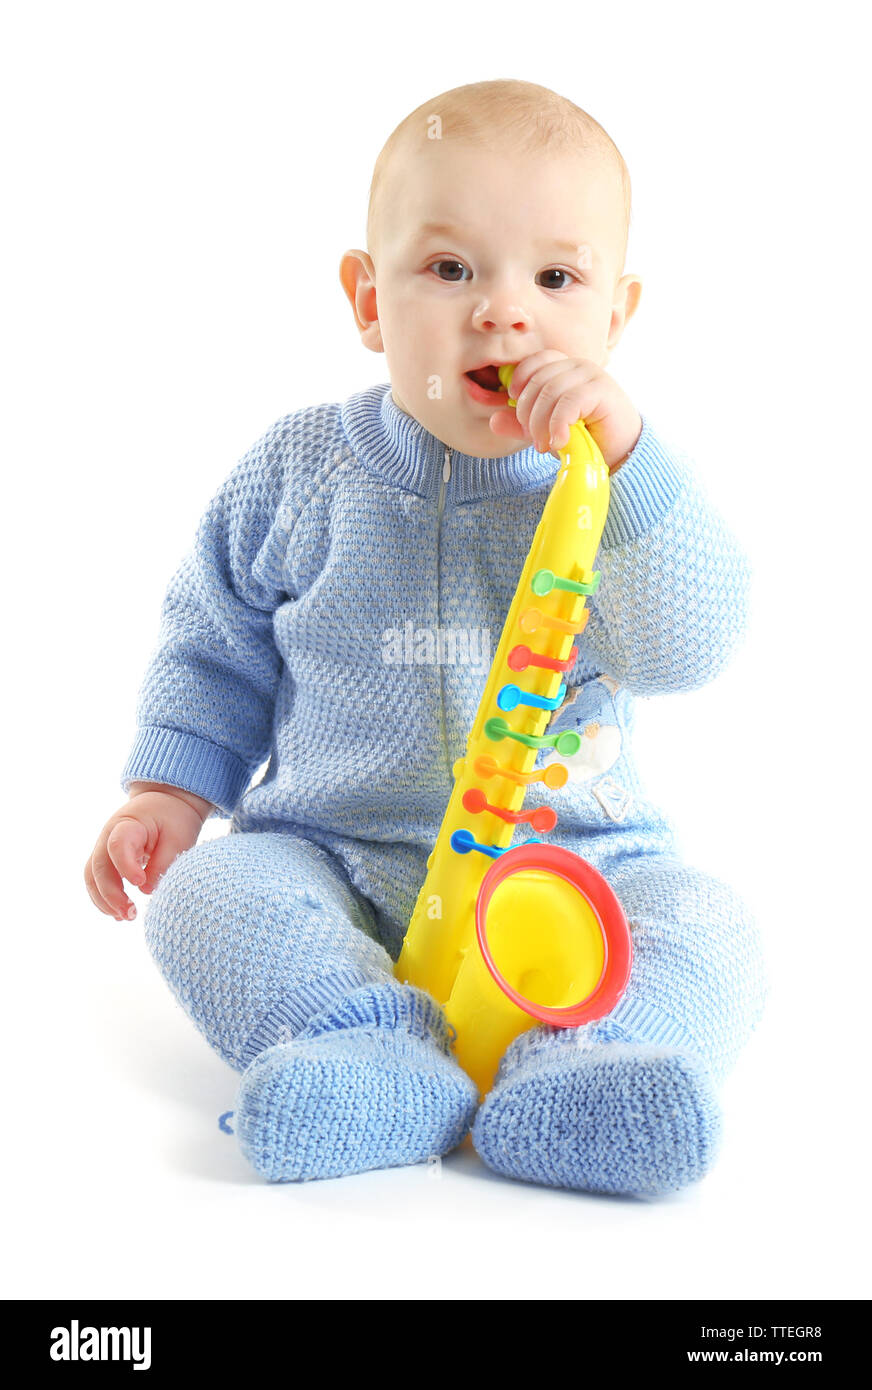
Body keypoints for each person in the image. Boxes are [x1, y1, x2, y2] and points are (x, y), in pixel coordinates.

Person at [84, 79, 766, 1194]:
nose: (502, 312)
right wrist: (169, 791)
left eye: (554, 277)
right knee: (208, 896)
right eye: (450, 270)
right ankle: (374, 1054)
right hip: (338, 870)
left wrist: (630, 461)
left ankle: (582, 1073)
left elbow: (687, 646)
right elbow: (213, 642)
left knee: (713, 922)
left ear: (613, 316)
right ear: (366, 298)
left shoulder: (610, 493)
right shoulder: (298, 471)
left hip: (574, 875)